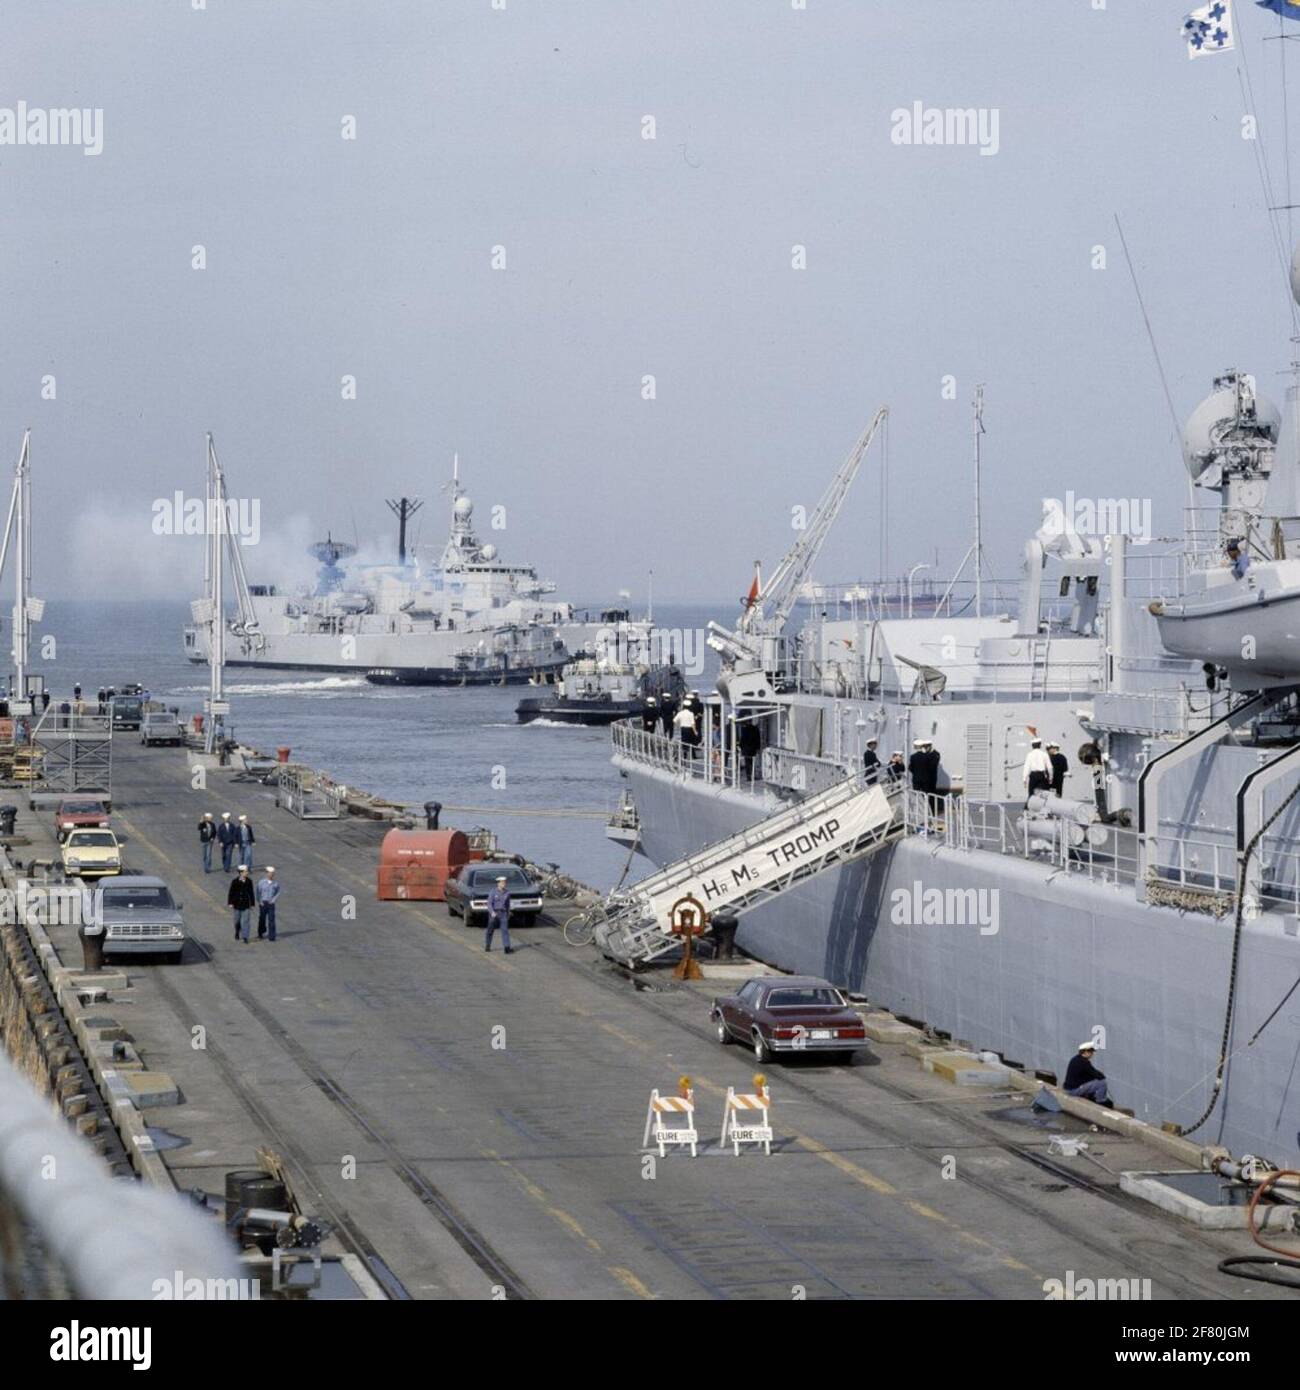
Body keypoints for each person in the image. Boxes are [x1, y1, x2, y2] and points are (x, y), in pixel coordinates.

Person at [1063, 1042, 1112, 1108]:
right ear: (1086, 1052)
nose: (1092, 1054)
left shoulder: (1075, 1059)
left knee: (1093, 1081)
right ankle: (1101, 1101)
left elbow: (1087, 1074)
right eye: (1091, 1052)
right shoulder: (1084, 1062)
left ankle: (1090, 1096)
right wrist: (1100, 1074)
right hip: (1073, 1091)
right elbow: (1099, 1076)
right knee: (1102, 1083)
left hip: (1068, 1088)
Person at [485, 874, 514, 954]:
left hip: (503, 913)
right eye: (502, 882)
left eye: (504, 882)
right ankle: (488, 945)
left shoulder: (507, 892)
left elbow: (507, 904)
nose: (504, 884)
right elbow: (489, 904)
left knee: (505, 930)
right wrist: (492, 912)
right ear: (498, 883)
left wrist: (508, 912)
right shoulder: (493, 892)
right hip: (494, 913)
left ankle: (507, 948)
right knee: (490, 930)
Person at [228, 865, 256, 943]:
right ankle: (237, 931)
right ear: (241, 873)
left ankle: (245, 936)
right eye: (245, 871)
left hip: (246, 904)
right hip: (237, 904)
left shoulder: (249, 881)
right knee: (237, 920)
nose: (247, 873)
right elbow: (231, 892)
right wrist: (230, 903)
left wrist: (252, 903)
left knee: (246, 921)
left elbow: (251, 892)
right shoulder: (235, 881)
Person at [1022, 737, 1053, 803]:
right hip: (1042, 775)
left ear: (1032, 745)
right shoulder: (1044, 754)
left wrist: (1024, 779)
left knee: (1031, 794)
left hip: (1033, 775)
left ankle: (1028, 809)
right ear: (1040, 745)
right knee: (1044, 794)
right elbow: (1049, 767)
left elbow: (1026, 767)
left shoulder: (1029, 755)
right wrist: (1050, 777)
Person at [256, 867, 280, 941]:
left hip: (270, 904)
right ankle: (260, 932)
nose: (270, 875)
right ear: (266, 873)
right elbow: (258, 892)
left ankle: (272, 936)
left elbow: (278, 892)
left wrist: (273, 900)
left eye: (272, 873)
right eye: (269, 873)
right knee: (262, 919)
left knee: (271, 920)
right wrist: (259, 901)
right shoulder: (261, 882)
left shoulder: (275, 884)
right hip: (263, 903)